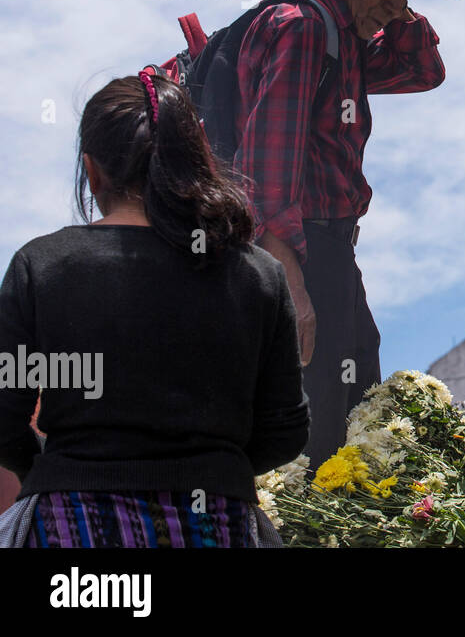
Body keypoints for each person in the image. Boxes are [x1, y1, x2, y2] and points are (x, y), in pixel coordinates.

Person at [0, 72, 308, 547]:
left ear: (92, 170)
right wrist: (215, 470)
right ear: (192, 160)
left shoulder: (39, 265)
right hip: (218, 526)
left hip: (70, 524)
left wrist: (49, 470)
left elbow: (2, 418)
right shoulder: (258, 274)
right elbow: (285, 430)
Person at [237, 0, 465, 468]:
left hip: (327, 255)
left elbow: (427, 70)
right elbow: (266, 168)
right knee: (319, 441)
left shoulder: (345, 34)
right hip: (299, 254)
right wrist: (291, 284)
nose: (399, 4)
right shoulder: (306, 26)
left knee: (356, 420)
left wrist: (395, 2)